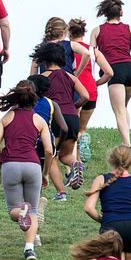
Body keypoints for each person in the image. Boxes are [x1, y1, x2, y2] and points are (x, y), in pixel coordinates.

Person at [0, 81, 53, 260]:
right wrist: (46, 173)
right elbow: (49, 150)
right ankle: (29, 249)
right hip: (33, 166)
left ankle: (21, 213)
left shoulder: (7, 117)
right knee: (32, 210)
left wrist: (0, 161)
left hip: (10, 165)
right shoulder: (38, 119)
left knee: (14, 211)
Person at [90, 0, 131, 149]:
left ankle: (127, 146)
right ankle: (127, 141)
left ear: (105, 13)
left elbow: (92, 53)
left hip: (115, 71)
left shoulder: (97, 30)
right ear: (121, 13)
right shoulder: (129, 28)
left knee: (119, 112)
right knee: (123, 108)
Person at [32, 42, 89, 190]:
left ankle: (61, 192)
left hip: (54, 118)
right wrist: (73, 106)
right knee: (65, 155)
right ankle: (74, 164)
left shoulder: (42, 77)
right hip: (72, 118)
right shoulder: (70, 77)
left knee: (51, 156)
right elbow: (85, 96)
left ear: (44, 59)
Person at [68, 18, 110, 162]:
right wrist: (96, 83)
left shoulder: (69, 48)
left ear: (70, 33)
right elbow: (109, 72)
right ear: (83, 33)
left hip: (75, 90)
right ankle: (83, 144)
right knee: (82, 128)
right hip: (91, 90)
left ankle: (75, 161)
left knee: (72, 129)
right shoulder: (92, 51)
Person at [27, 73, 68, 209]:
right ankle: (61, 193)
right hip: (47, 142)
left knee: (33, 168)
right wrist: (58, 145)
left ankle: (36, 197)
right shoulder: (52, 104)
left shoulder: (26, 101)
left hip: (31, 140)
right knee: (50, 163)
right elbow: (64, 128)